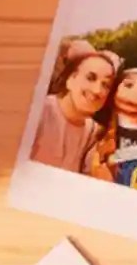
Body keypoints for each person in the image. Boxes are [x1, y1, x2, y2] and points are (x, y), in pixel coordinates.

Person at [31, 42, 117, 172]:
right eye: (90, 78)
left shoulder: (94, 133)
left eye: (106, 85)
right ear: (70, 79)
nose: (97, 90)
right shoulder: (39, 112)